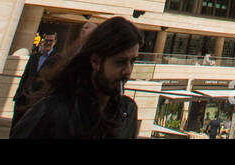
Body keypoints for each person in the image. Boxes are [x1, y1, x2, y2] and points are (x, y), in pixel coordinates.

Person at [10, 16, 140, 139]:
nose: (127, 71)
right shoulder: (53, 112)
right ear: (96, 62)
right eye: (120, 62)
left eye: (132, 61)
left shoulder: (127, 112)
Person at [11, 31, 58, 128]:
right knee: (16, 125)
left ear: (55, 42)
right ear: (42, 41)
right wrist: (18, 94)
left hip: (39, 99)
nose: (48, 43)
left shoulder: (57, 59)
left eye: (51, 41)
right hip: (24, 96)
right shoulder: (34, 57)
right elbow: (25, 76)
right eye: (46, 40)